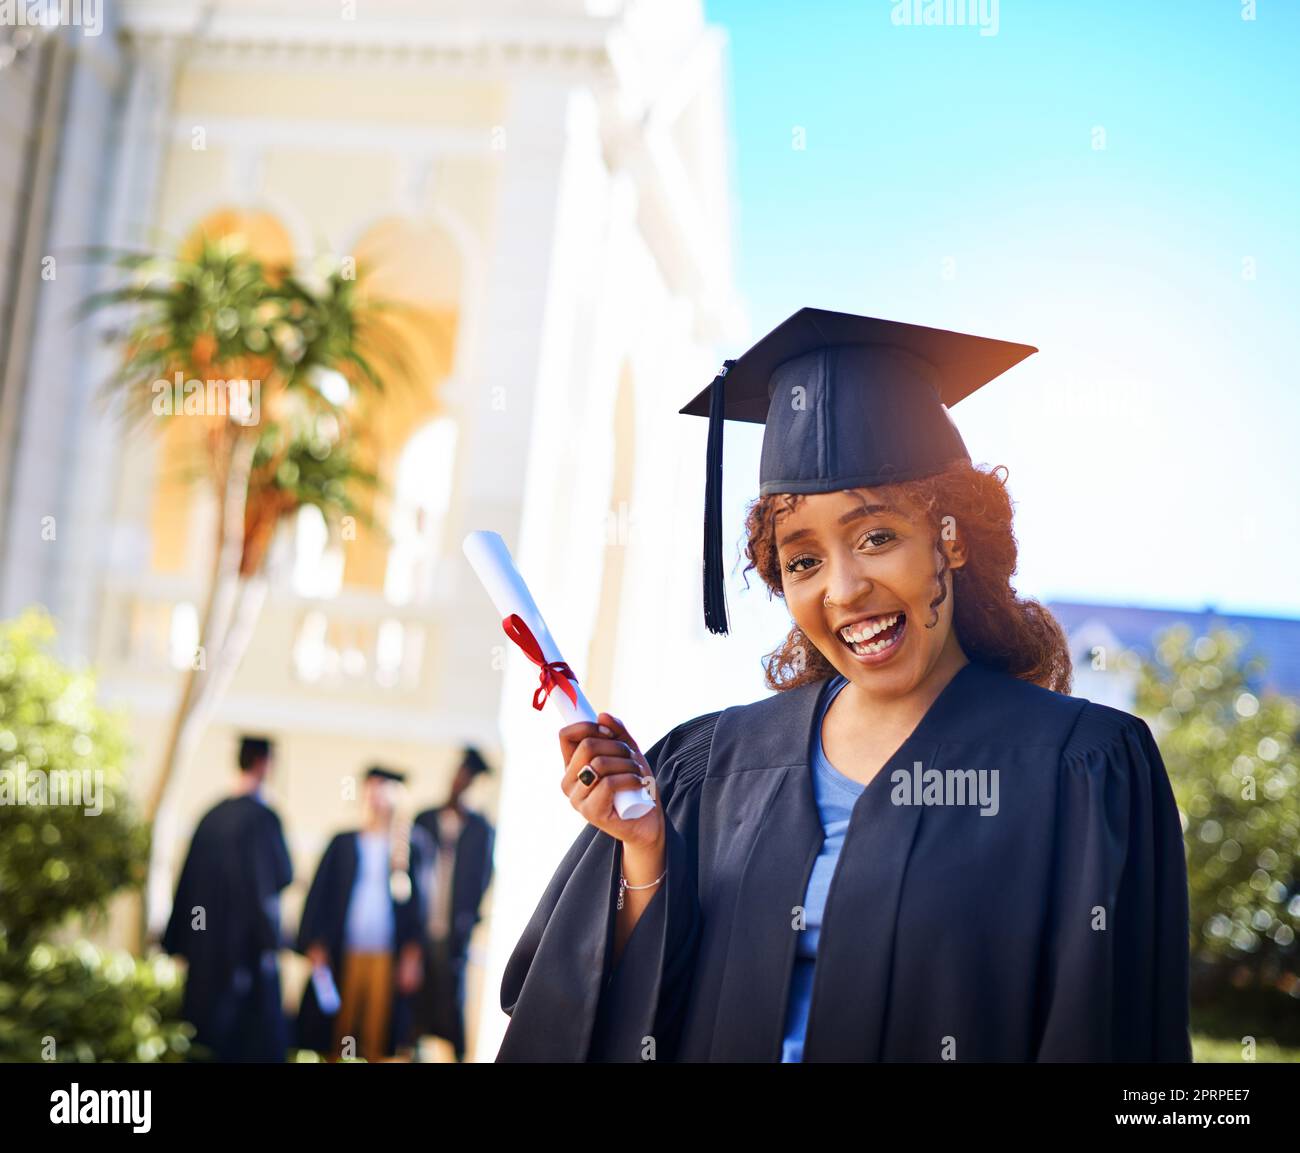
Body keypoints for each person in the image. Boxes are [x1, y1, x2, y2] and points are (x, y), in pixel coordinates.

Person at [497, 308, 1192, 1062]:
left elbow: (1115, 1041)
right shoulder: (710, 766)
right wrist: (644, 855)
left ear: (952, 539)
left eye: (877, 537)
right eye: (803, 561)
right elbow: (586, 1016)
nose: (844, 588)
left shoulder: (1082, 768)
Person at [162, 734, 293, 1061]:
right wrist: (271, 940)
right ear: (265, 765)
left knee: (208, 1042)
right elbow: (278, 880)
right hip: (247, 960)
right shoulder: (264, 819)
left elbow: (187, 885)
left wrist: (182, 941)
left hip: (206, 955)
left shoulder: (209, 817)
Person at [296, 766, 433, 1061]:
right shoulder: (343, 842)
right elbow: (320, 895)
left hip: (387, 957)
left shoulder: (410, 847)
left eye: (383, 788)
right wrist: (315, 944)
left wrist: (413, 955)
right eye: (371, 788)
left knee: (378, 1036)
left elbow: (420, 907)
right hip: (342, 954)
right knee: (337, 1033)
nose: (375, 796)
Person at [412, 746, 496, 1061]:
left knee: (450, 1010)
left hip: (453, 936)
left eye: (467, 778)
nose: (460, 782)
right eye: (458, 775)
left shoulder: (480, 829)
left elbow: (482, 881)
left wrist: (467, 922)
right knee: (415, 1009)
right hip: (420, 933)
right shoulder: (424, 820)